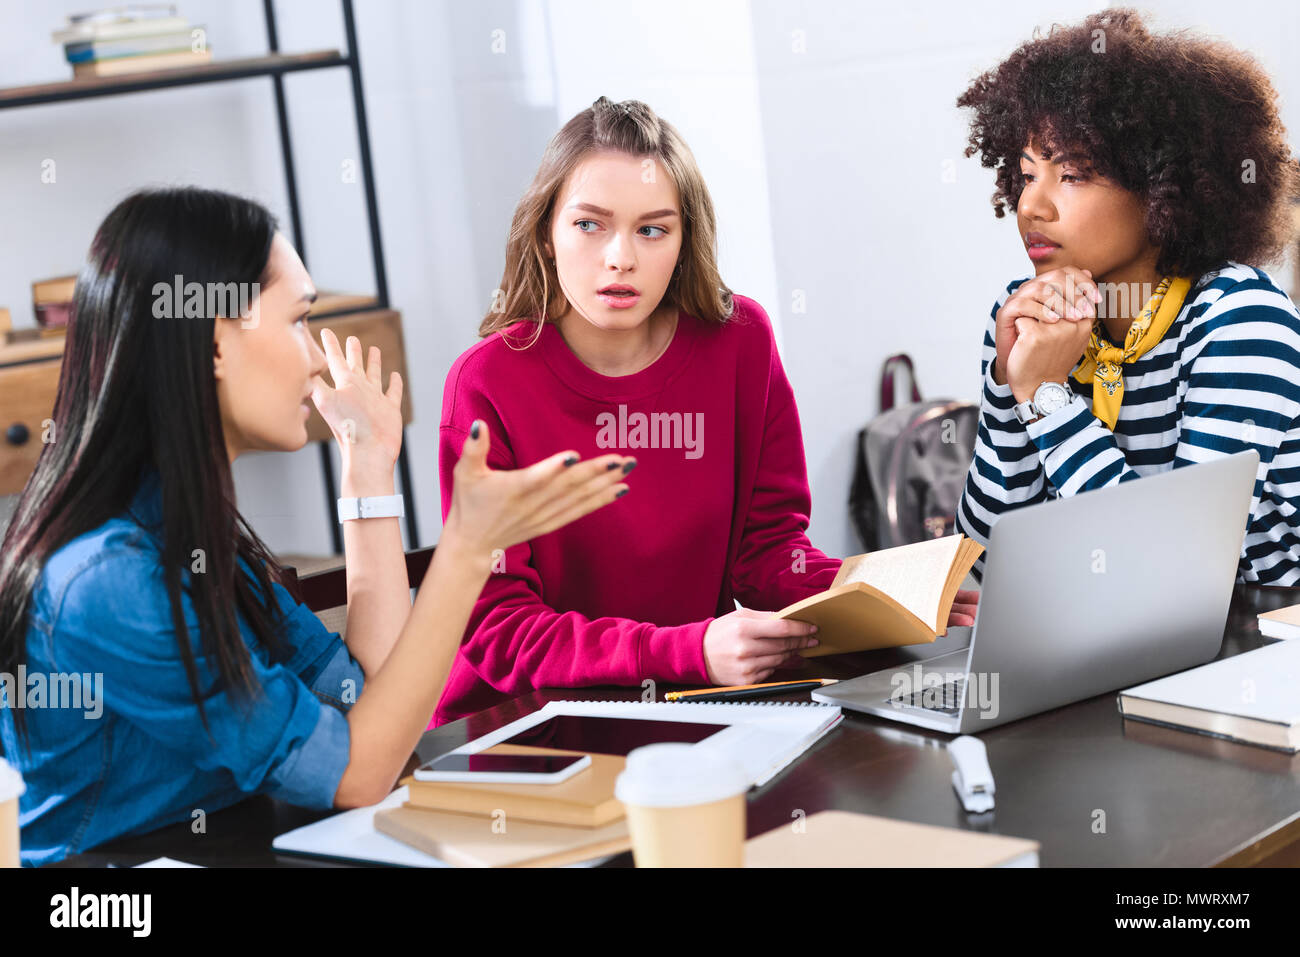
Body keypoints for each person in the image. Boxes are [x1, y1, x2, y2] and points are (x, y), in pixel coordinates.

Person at [0, 187, 631, 865]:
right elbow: (358, 773)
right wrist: (466, 551)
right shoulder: (110, 580)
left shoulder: (197, 539)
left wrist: (368, 468)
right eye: (298, 320)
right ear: (215, 341)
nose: (314, 357)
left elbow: (366, 699)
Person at [436, 96, 979, 725]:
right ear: (546, 234)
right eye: (590, 224)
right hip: (525, 725)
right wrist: (686, 650)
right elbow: (501, 632)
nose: (621, 257)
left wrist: (881, 592)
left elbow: (769, 551)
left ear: (684, 239)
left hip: (690, 703)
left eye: (652, 229)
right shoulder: (486, 384)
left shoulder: (739, 340)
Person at [953, 8, 1300, 584]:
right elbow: (988, 564)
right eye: (1026, 173)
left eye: (1074, 174)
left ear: (1165, 186)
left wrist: (1045, 399)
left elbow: (1176, 570)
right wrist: (1011, 388)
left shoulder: (1239, 320)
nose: (1031, 206)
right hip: (1139, 650)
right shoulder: (1032, 318)